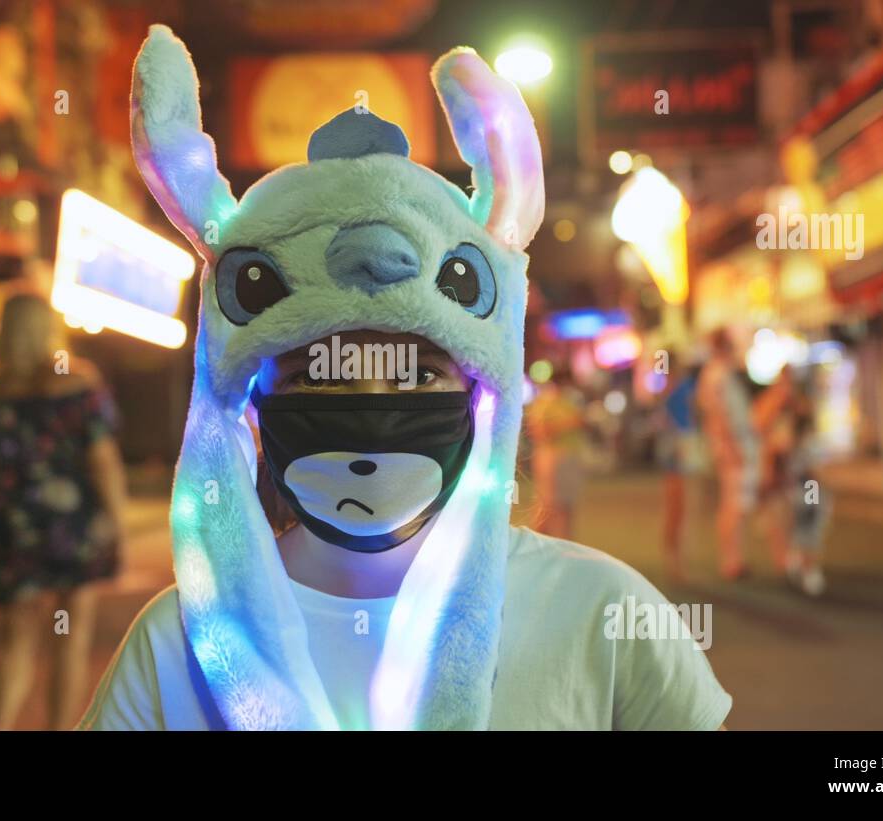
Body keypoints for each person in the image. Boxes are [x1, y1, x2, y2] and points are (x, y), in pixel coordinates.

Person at [78, 26, 731, 730]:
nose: (371, 401)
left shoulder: (604, 612)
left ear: (482, 385)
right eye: (320, 370)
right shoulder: (177, 645)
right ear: (250, 396)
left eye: (415, 370)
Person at [0, 292, 127, 730]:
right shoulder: (79, 384)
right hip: (72, 525)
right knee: (71, 637)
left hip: (12, 527)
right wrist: (116, 518)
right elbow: (103, 460)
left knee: (15, 635)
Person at [695, 328, 759, 580]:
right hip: (732, 446)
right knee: (733, 503)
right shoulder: (717, 374)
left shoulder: (720, 373)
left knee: (734, 503)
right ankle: (730, 561)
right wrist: (729, 447)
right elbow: (717, 415)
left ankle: (735, 558)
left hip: (733, 445)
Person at [752, 364, 801, 572]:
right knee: (777, 510)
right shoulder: (771, 399)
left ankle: (791, 554)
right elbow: (757, 424)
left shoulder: (795, 401)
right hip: (774, 459)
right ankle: (781, 556)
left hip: (789, 460)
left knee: (790, 509)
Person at [524, 378, 585, 538]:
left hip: (568, 457)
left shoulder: (568, 401)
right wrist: (569, 423)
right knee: (549, 505)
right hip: (552, 457)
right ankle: (541, 541)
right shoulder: (545, 403)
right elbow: (538, 431)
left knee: (566, 505)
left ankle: (564, 542)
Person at [656, 356, 699, 582]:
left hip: (680, 449)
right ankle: (675, 559)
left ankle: (676, 558)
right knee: (679, 507)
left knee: (677, 507)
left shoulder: (671, 390)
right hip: (680, 450)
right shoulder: (679, 389)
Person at [786, 404, 830, 596]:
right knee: (810, 532)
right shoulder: (810, 444)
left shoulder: (791, 444)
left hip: (797, 491)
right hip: (810, 490)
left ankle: (796, 561)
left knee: (801, 529)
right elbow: (815, 472)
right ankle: (809, 572)